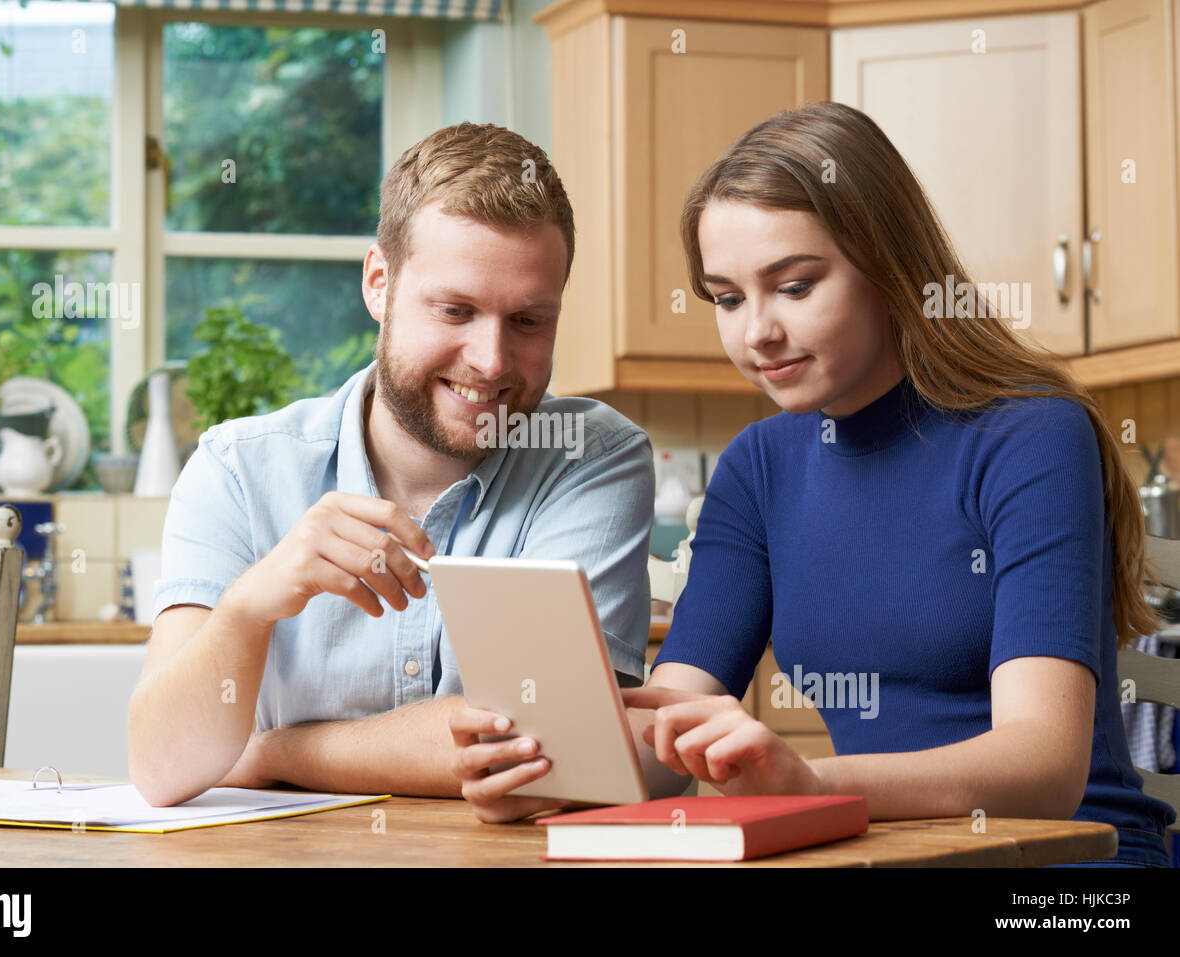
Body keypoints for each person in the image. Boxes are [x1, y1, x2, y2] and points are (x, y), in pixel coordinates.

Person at [454, 101, 1177, 866]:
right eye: (727, 298)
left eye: (794, 286)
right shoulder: (758, 467)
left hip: (1071, 870)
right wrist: (545, 771)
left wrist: (807, 781)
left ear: (889, 265)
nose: (755, 331)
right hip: (875, 852)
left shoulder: (1031, 435)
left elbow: (1044, 769)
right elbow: (676, 721)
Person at [127, 122, 654, 809]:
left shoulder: (592, 457)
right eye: (455, 309)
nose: (492, 360)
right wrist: (251, 605)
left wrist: (274, 752)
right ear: (379, 284)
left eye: (528, 320)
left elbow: (548, 751)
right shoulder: (238, 470)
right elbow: (162, 766)